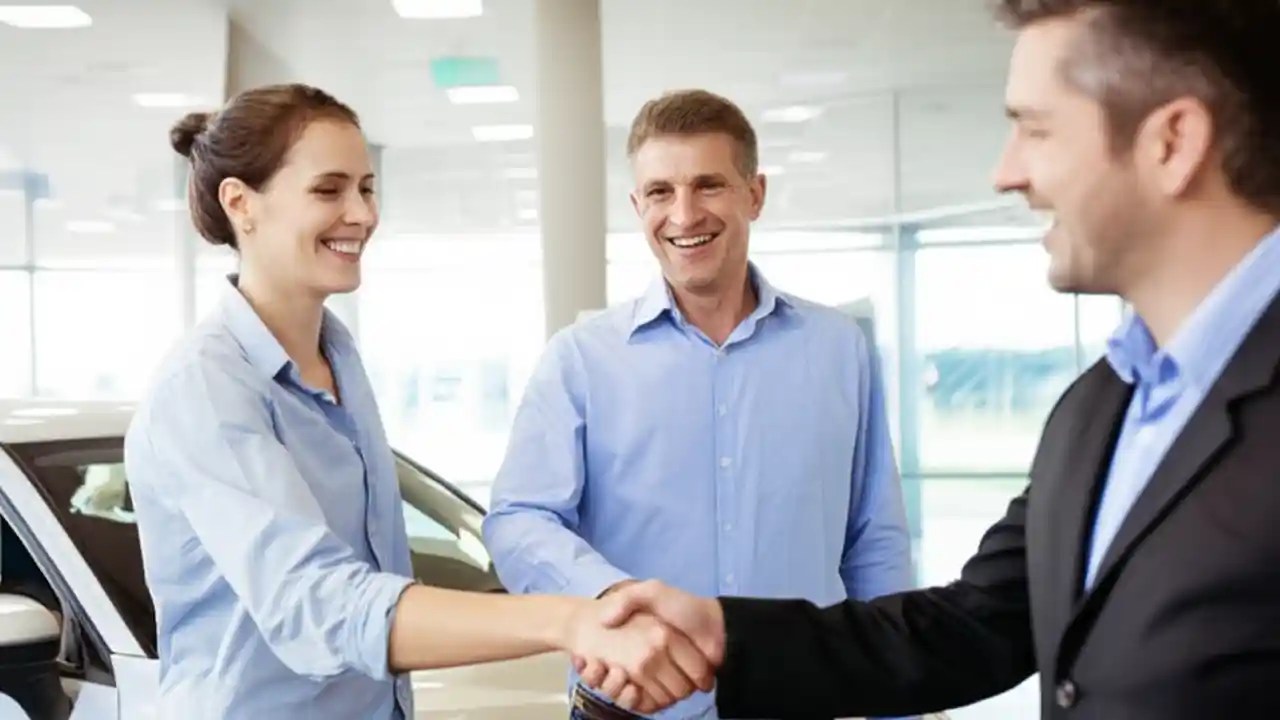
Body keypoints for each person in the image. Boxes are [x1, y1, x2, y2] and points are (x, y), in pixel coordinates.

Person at [576, 1, 1280, 718]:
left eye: (1036, 129)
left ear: (1173, 142)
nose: (1009, 174)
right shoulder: (1101, 406)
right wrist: (726, 636)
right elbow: (973, 625)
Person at [123, 83, 713, 720]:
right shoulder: (205, 389)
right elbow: (321, 602)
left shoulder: (337, 357)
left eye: (367, 187)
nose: (362, 213)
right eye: (329, 190)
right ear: (240, 204)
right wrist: (572, 621)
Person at [481, 88, 915, 718]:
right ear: (638, 205)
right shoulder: (581, 359)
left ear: (754, 194)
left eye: (708, 185)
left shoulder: (839, 351)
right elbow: (518, 519)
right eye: (660, 192)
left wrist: (900, 702)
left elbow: (873, 542)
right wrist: (614, 600)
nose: (684, 215)